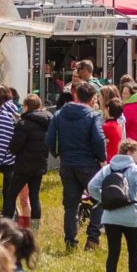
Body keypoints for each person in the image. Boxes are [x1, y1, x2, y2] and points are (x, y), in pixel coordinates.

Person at [48, 79, 108, 251]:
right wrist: (102, 159)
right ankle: (92, 238)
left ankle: (70, 241)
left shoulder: (59, 114)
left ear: (76, 95)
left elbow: (49, 138)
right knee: (99, 199)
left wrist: (57, 154)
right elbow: (98, 139)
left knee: (70, 204)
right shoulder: (93, 115)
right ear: (92, 99)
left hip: (67, 164)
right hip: (89, 164)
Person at [87, 138, 137, 272]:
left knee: (113, 251)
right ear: (129, 153)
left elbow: (91, 186)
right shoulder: (136, 169)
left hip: (109, 216)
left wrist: (104, 199)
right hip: (130, 216)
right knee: (133, 250)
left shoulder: (108, 168)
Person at [4, 93, 52, 233]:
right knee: (34, 196)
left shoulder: (23, 123)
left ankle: (6, 227)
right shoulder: (47, 122)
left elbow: (14, 147)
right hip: (40, 164)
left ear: (26, 107)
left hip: (23, 166)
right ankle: (35, 229)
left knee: (11, 195)